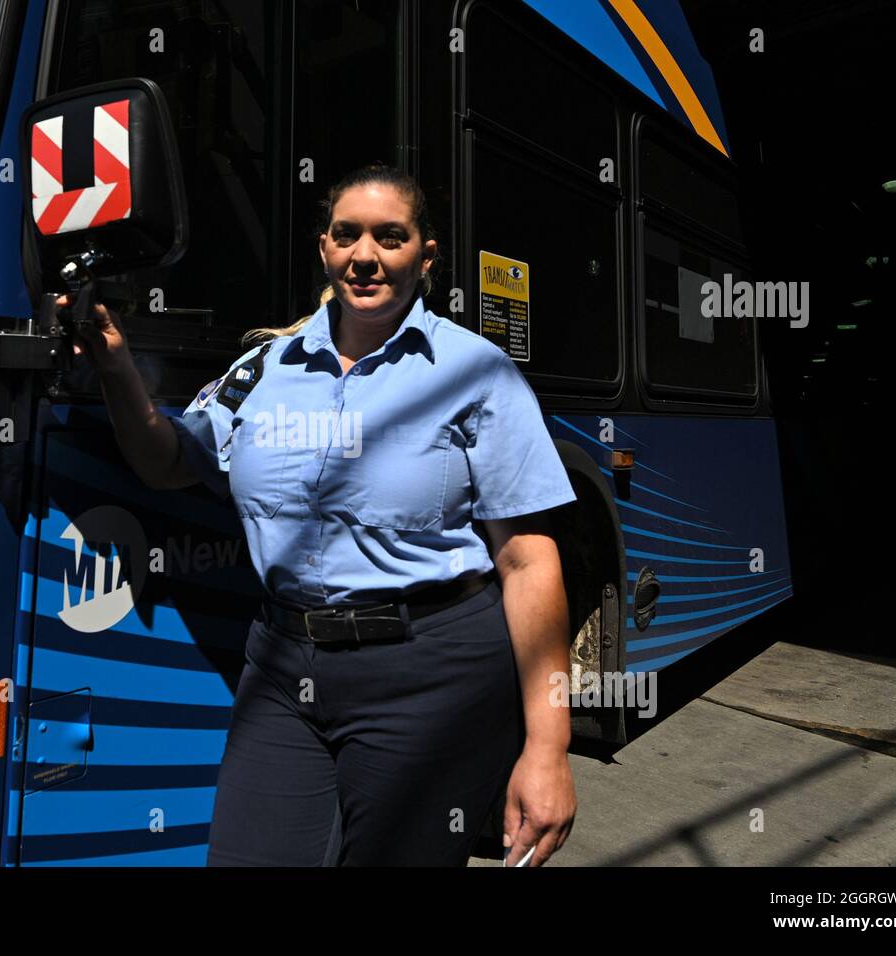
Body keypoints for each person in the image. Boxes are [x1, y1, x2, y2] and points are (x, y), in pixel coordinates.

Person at [63, 163, 577, 867]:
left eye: (390, 237)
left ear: (425, 257)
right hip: (282, 664)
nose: (365, 255)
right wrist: (118, 370)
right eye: (347, 235)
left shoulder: (476, 372)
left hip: (434, 671)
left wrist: (548, 748)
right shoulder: (262, 368)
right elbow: (169, 461)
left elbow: (528, 561)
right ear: (325, 250)